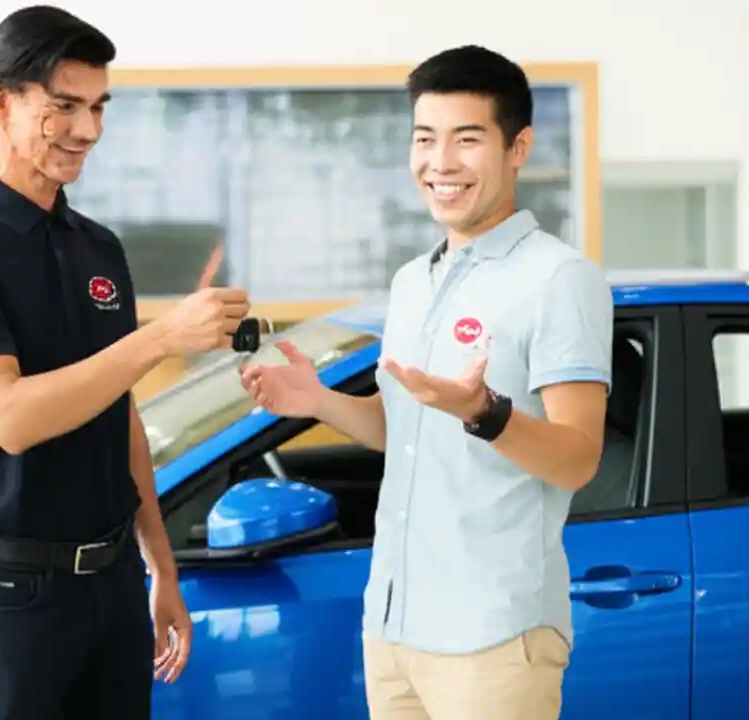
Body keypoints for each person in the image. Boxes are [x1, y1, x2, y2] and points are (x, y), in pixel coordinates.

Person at [0, 6, 250, 719]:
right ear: (0, 100)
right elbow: (10, 417)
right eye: (64, 106)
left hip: (113, 582)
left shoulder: (98, 250)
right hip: (7, 595)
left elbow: (119, 415)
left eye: (97, 107)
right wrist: (158, 338)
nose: (87, 130)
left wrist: (160, 566)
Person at [241, 45, 612, 719]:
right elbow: (402, 431)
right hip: (394, 626)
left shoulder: (560, 278)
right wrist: (318, 401)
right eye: (425, 138)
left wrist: (487, 413)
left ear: (517, 147)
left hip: (493, 634)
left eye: (467, 139)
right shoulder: (415, 280)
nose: (440, 163)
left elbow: (579, 457)